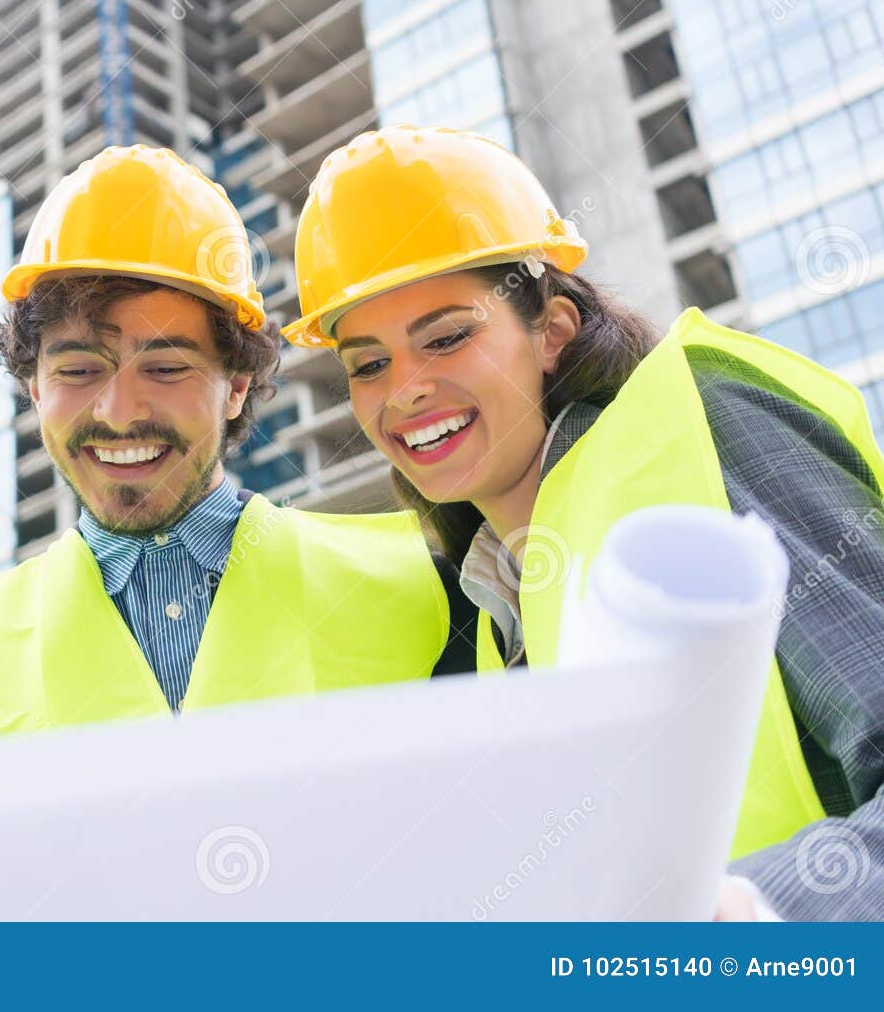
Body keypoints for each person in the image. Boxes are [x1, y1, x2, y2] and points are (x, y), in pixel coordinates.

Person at [284, 123, 884, 920]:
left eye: (448, 336)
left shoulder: (697, 422)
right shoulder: (491, 614)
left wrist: (749, 917)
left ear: (552, 331)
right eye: (368, 363)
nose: (405, 390)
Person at [0, 144, 474, 750]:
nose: (119, 413)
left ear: (236, 387)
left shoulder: (427, 590)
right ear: (34, 390)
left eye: (165, 368)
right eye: (80, 371)